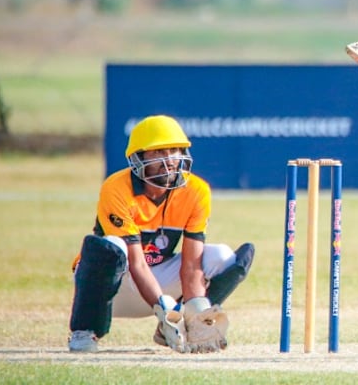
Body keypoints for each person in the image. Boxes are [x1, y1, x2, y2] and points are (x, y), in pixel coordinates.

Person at [67, 115, 255, 353]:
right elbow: (136, 264)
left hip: (159, 278)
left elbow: (191, 266)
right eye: (158, 152)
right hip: (114, 287)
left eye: (174, 151)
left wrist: (196, 311)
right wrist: (166, 309)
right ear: (138, 157)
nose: (169, 161)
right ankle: (85, 330)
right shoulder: (116, 188)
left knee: (221, 256)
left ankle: (185, 327)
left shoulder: (196, 191)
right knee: (112, 245)